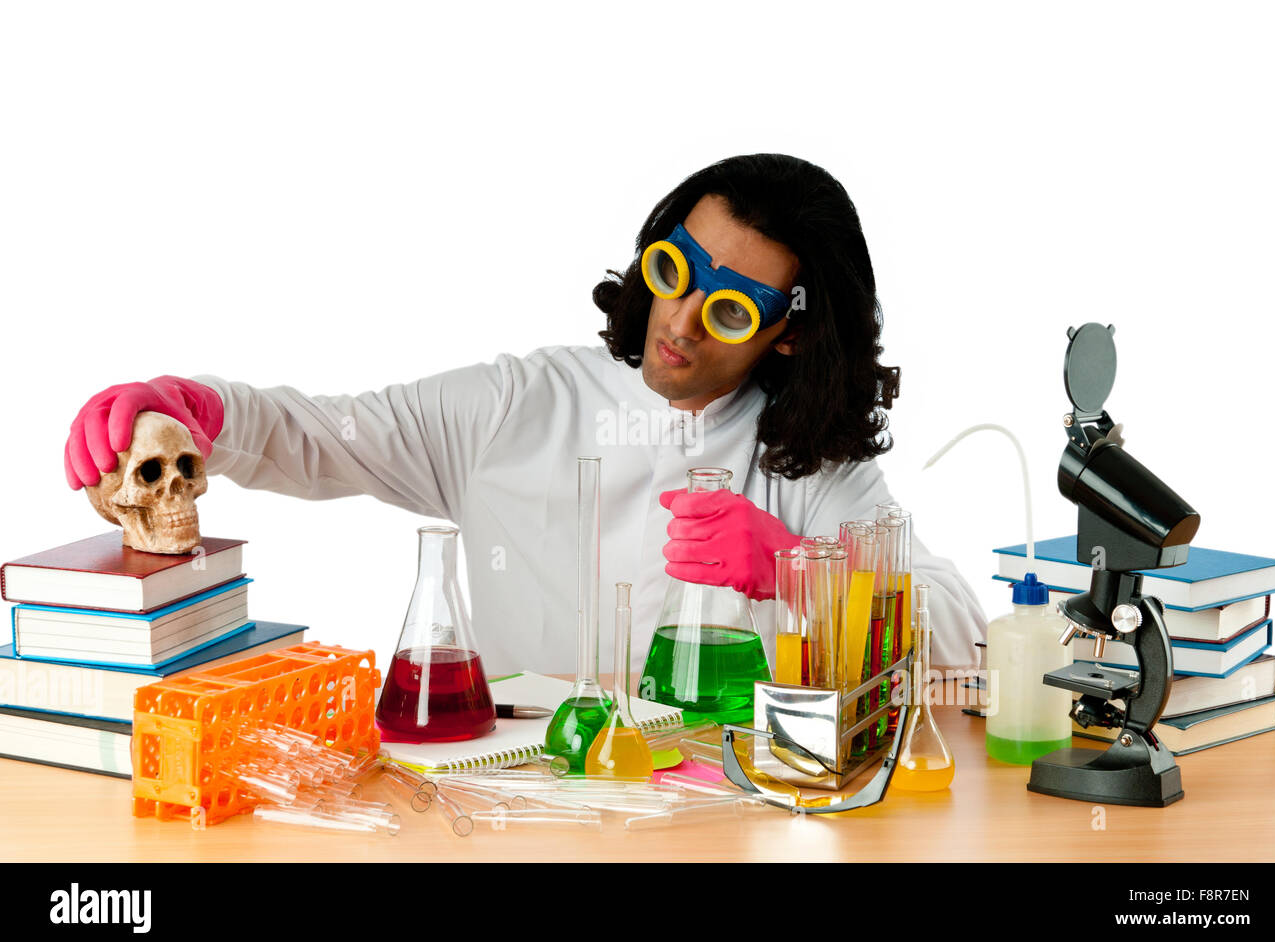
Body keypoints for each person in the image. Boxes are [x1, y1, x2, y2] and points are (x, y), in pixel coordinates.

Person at [64, 153, 986, 676]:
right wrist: (190, 410)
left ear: (788, 335)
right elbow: (323, 436)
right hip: (511, 800)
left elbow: (961, 633)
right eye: (676, 272)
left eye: (732, 308)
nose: (681, 321)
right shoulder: (521, 405)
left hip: (720, 823)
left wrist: (803, 571)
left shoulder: (810, 466)